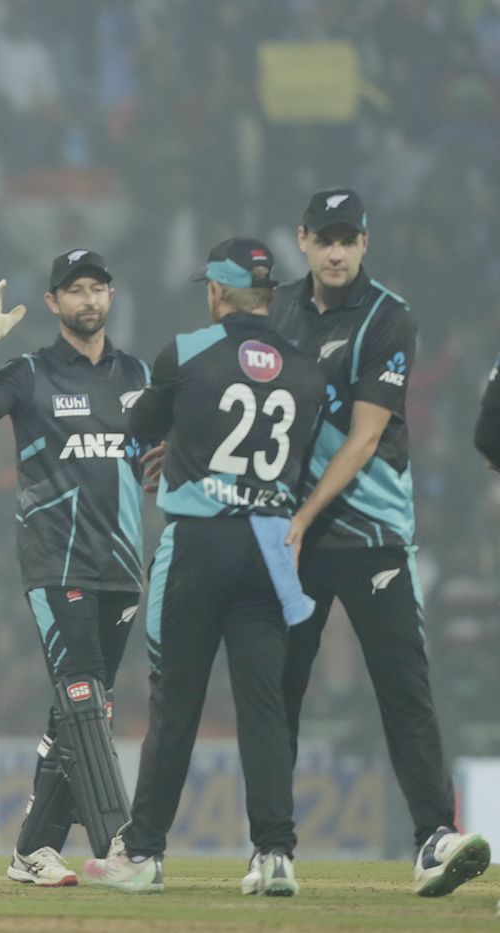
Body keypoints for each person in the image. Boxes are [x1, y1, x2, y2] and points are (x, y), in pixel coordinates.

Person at [84, 239, 325, 895]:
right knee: (265, 706)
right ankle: (275, 854)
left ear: (217, 293)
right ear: (269, 296)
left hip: (199, 543)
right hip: (271, 551)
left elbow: (138, 422)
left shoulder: (187, 351)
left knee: (175, 702)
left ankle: (144, 851)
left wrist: (177, 447)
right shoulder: (307, 369)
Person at [274, 190, 490, 896]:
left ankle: (434, 836)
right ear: (302, 239)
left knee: (406, 690)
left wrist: (302, 515)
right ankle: (271, 846)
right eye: (325, 238)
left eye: (349, 239)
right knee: (276, 692)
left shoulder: (388, 315)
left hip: (368, 532)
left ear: (365, 244)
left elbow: (366, 436)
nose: (336, 251)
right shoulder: (276, 313)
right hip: (293, 532)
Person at [0, 250, 148, 885]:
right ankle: (120, 842)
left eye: (97, 288)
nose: (88, 299)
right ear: (54, 303)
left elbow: (163, 444)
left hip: (121, 567)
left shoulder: (137, 374)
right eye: (74, 290)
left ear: (110, 297)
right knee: (84, 700)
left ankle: (33, 849)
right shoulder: (29, 373)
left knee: (79, 711)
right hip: (56, 565)